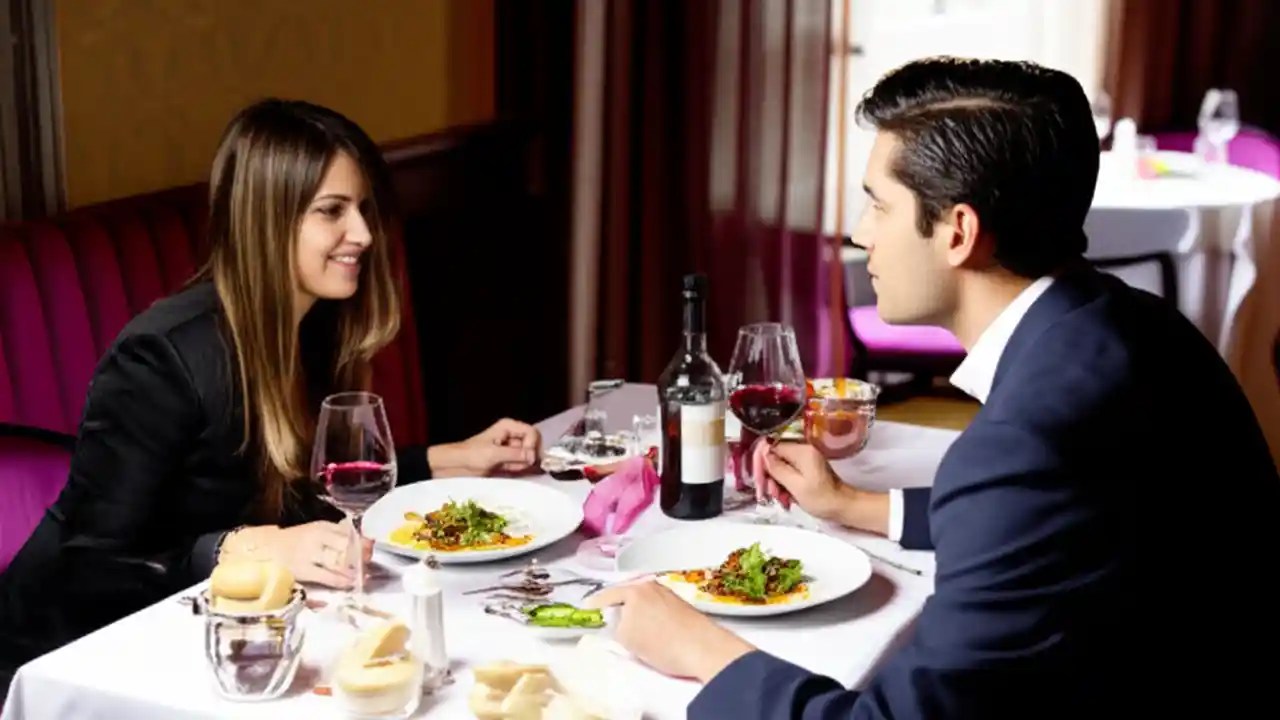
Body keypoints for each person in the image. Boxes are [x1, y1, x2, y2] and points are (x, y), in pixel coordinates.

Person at [589, 58, 1280, 718]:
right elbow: (1058, 514)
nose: (861, 234)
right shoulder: (1133, 323)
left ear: (958, 232)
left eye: (878, 206)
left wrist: (701, 650)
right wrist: (854, 505)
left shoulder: (1026, 443)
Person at [0, 99, 542, 686]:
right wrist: (248, 550)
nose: (363, 234)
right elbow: (92, 564)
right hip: (60, 660)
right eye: (332, 211)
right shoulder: (159, 358)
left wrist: (451, 458)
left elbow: (316, 483)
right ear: (268, 219)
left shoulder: (314, 328)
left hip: (221, 632)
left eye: (364, 208)